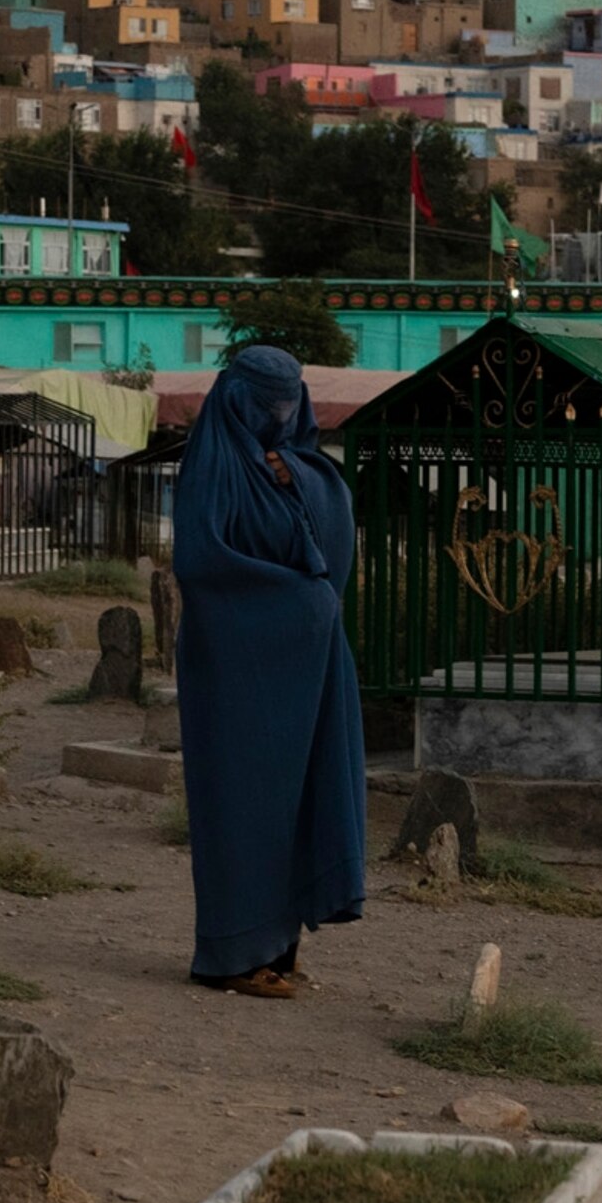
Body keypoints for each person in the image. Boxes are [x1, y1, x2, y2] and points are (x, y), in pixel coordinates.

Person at [170, 345, 367, 999]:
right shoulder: (213, 468)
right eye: (265, 406)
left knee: (300, 800)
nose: (278, 418)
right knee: (243, 803)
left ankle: (280, 951)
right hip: (237, 666)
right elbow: (202, 565)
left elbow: (337, 546)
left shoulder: (307, 469)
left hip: (307, 667)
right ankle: (229, 955)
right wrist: (296, 601)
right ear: (235, 401)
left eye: (289, 404)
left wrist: (300, 482)